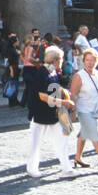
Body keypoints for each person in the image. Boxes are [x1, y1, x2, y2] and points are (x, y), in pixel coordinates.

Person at [25, 46, 74, 178]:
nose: (62, 62)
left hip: (53, 113)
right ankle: (32, 168)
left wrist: (63, 93)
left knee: (61, 141)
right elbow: (42, 96)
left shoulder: (53, 73)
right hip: (40, 113)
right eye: (61, 59)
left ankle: (66, 167)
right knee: (36, 143)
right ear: (55, 60)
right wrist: (64, 103)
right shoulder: (42, 72)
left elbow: (55, 89)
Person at [70, 48, 98, 169]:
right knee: (95, 132)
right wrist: (73, 111)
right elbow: (72, 94)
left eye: (92, 60)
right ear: (83, 61)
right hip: (84, 110)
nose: (89, 63)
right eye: (87, 60)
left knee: (84, 132)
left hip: (96, 108)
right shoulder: (79, 76)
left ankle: (78, 157)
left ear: (96, 61)